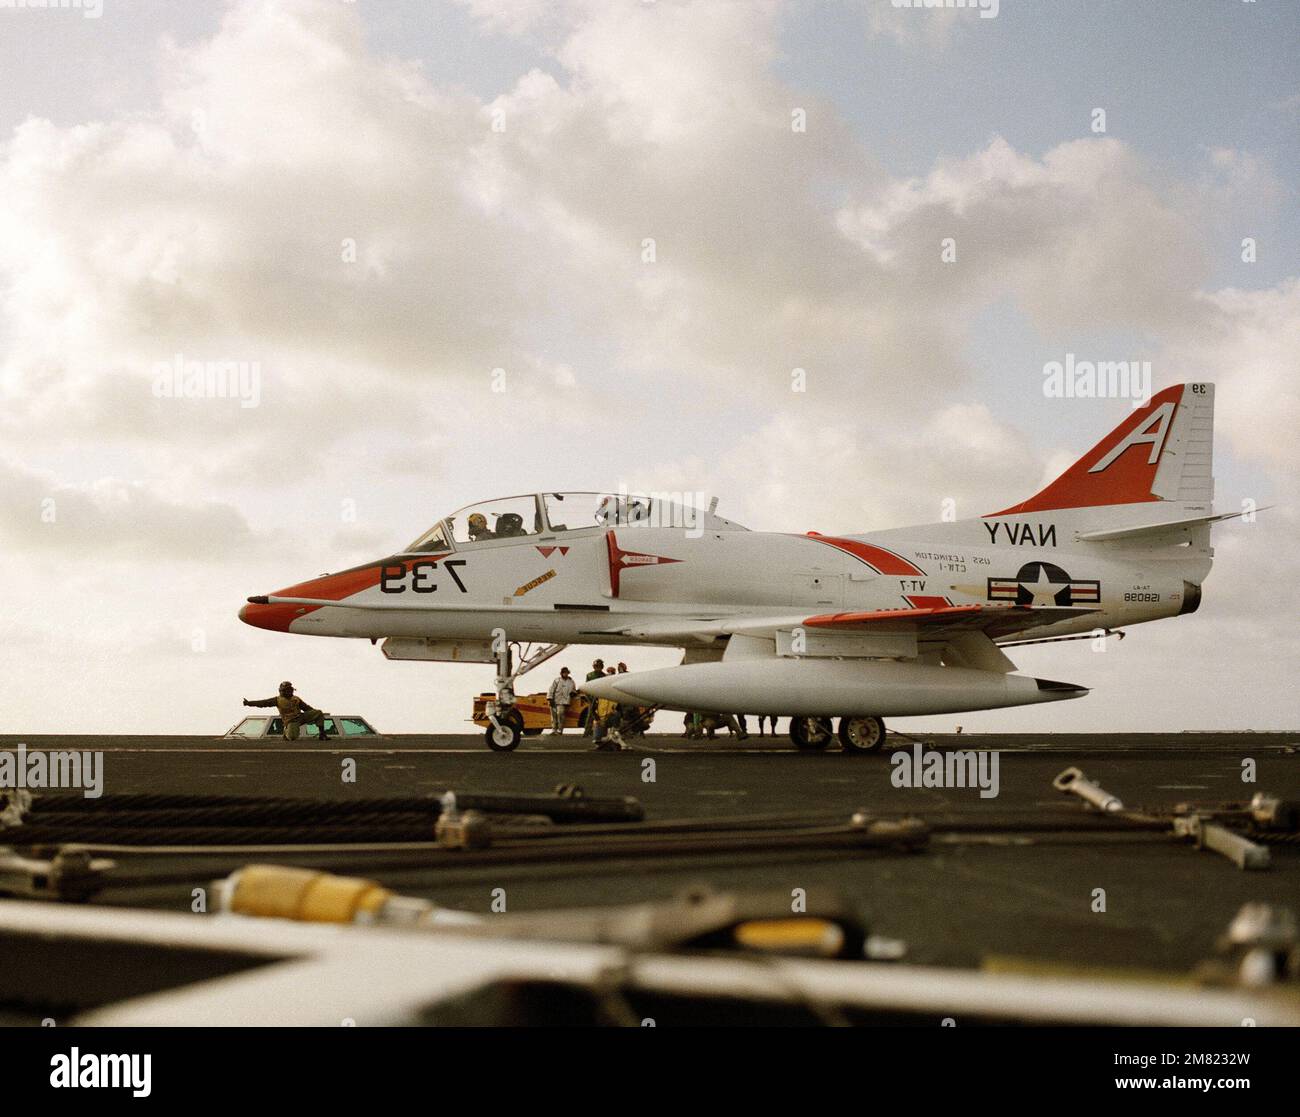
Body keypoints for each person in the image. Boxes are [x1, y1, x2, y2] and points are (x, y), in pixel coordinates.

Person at [243, 681, 329, 742]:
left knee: (318, 712)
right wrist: (248, 703)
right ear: (282, 691)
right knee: (292, 737)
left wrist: (315, 716)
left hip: (301, 717)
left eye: (290, 690)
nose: (290, 692)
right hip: (290, 721)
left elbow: (307, 708)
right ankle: (286, 731)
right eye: (288, 690)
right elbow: (262, 703)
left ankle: (322, 734)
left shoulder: (296, 699)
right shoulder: (277, 700)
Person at [547, 667, 577, 734]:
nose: (565, 674)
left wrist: (573, 693)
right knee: (553, 716)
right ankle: (553, 730)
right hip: (554, 700)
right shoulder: (556, 680)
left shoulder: (571, 682)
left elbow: (574, 690)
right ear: (561, 673)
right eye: (564, 672)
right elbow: (551, 689)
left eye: (566, 672)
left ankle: (560, 729)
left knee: (560, 714)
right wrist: (550, 698)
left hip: (564, 701)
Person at [582, 659, 606, 736]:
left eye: (599, 666)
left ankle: (600, 731)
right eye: (596, 666)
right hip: (591, 698)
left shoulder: (604, 676)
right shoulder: (589, 675)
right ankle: (587, 731)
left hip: (600, 698)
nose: (598, 668)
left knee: (601, 715)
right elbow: (587, 686)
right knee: (590, 714)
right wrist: (589, 698)